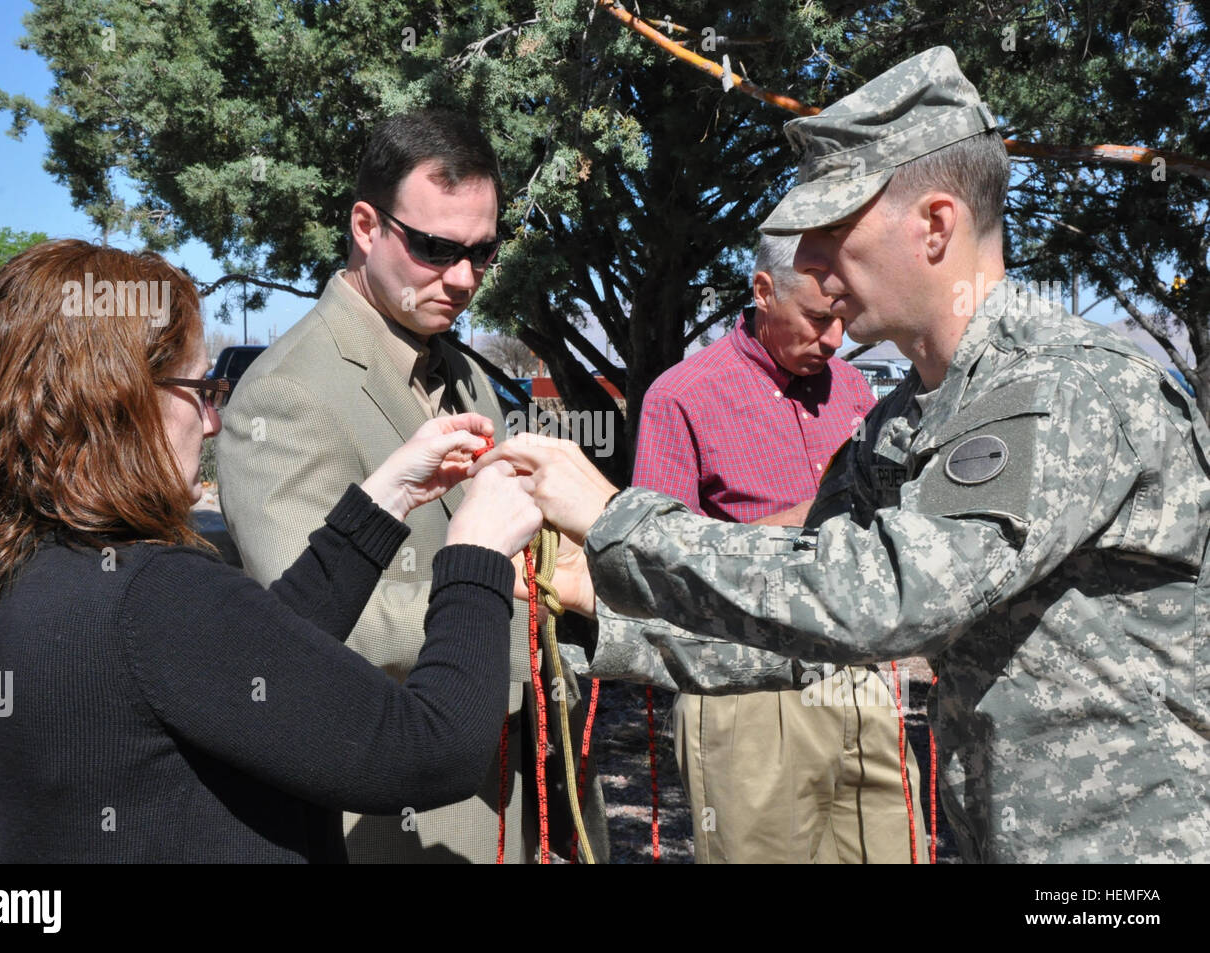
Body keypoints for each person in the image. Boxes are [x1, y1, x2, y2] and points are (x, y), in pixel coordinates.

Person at [477, 46, 1210, 863]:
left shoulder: (1065, 389)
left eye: (835, 230)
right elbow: (799, 619)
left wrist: (618, 521)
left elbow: (876, 600)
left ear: (936, 224)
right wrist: (597, 599)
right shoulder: (905, 419)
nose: (813, 265)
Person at [0, 239, 542, 863]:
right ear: (117, 401)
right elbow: (434, 751)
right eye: (200, 388)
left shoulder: (17, 573)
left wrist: (384, 500)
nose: (212, 421)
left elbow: (255, 663)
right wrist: (477, 558)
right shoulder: (155, 594)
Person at [217, 109, 606, 863]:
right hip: (400, 820)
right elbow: (313, 628)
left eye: (482, 253)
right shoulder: (284, 394)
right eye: (434, 248)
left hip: (522, 794)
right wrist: (526, 596)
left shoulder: (460, 372)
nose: (462, 279)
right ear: (366, 225)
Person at [635, 232, 923, 863]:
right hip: (745, 695)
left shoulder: (855, 392)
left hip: (861, 677)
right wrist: (809, 524)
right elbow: (653, 566)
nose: (833, 340)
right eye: (818, 320)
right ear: (763, 292)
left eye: (843, 320)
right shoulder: (680, 395)